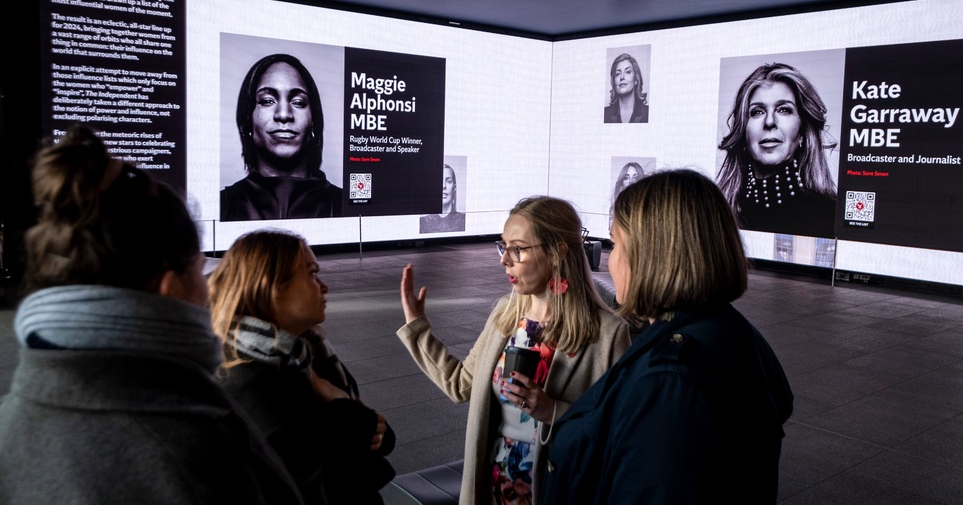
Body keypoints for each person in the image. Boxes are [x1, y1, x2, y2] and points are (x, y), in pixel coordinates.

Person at [0, 125, 303, 504]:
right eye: (200, 270)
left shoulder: (10, 421)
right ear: (169, 288)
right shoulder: (195, 444)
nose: (210, 289)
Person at [542, 170, 793, 504]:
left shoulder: (670, 381)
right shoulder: (730, 330)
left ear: (651, 255)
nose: (611, 260)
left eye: (616, 244)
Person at [398, 197, 630, 505]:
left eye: (517, 249)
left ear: (557, 252)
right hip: (496, 479)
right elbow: (460, 384)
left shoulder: (609, 334)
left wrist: (553, 411)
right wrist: (417, 328)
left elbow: (621, 433)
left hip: (558, 487)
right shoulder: (504, 316)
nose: (504, 260)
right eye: (502, 246)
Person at [210, 229, 395, 505]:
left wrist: (355, 419)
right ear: (272, 287)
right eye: (311, 274)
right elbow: (337, 464)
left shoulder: (306, 352)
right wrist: (345, 406)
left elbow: (382, 438)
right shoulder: (254, 380)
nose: (324, 286)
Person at [717, 62, 837, 237]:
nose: (769, 122)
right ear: (742, 131)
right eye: (757, 112)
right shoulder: (717, 212)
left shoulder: (830, 214)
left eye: (784, 110)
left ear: (803, 132)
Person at [221, 53, 342, 221]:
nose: (284, 114)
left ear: (314, 120)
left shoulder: (346, 205)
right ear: (248, 119)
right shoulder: (223, 206)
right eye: (267, 101)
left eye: (298, 102)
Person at [420, 163, 467, 233]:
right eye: (438, 180)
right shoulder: (422, 223)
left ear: (454, 188)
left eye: (448, 181)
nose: (443, 186)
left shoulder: (464, 220)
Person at [603, 53, 648, 124]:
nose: (622, 77)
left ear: (636, 79)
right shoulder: (604, 114)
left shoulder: (648, 113)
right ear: (614, 82)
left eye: (627, 72)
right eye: (617, 74)